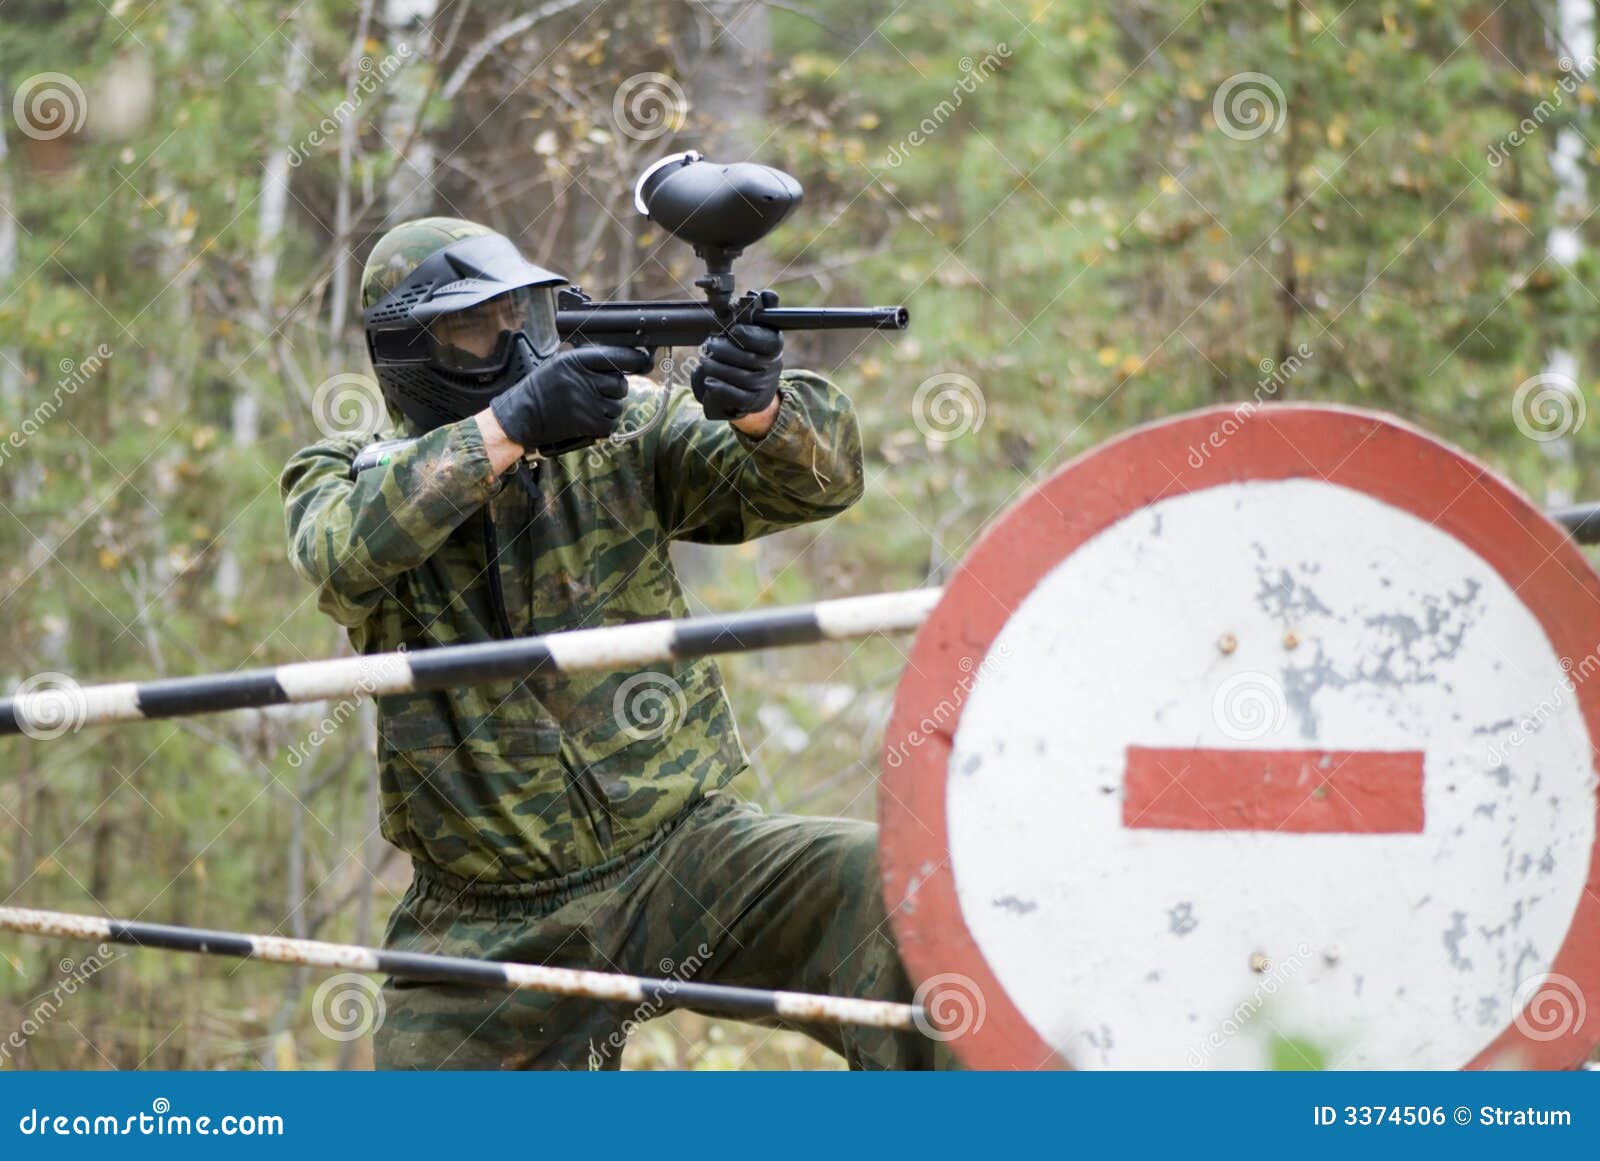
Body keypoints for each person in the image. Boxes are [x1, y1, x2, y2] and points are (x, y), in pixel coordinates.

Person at [279, 217, 943, 1069]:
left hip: (684, 854)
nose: (512, 337)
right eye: (476, 324)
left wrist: (762, 409)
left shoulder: (621, 437)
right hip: (486, 925)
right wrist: (509, 426)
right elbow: (341, 553)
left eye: (522, 312)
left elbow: (822, 483)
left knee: (887, 892)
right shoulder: (346, 471)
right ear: (410, 349)